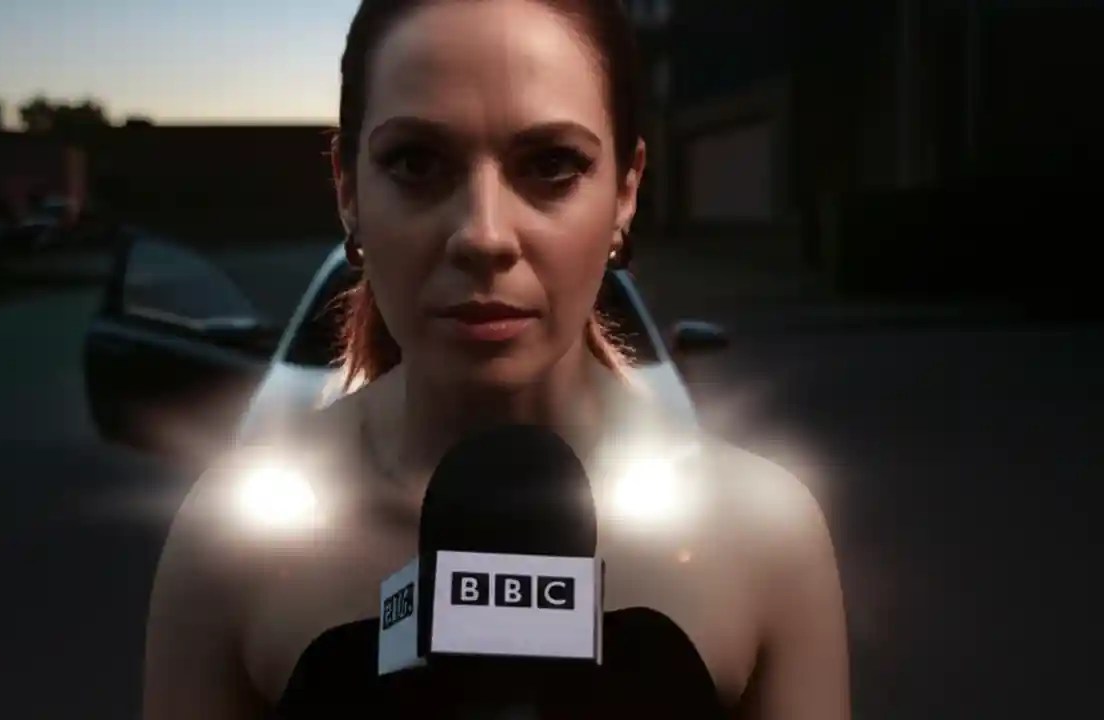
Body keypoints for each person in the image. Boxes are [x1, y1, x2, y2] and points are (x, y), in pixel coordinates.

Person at [142, 1, 850, 717]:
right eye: (417, 162)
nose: (483, 235)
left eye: (550, 165)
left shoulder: (764, 532)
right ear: (348, 190)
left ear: (626, 190)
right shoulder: (227, 548)